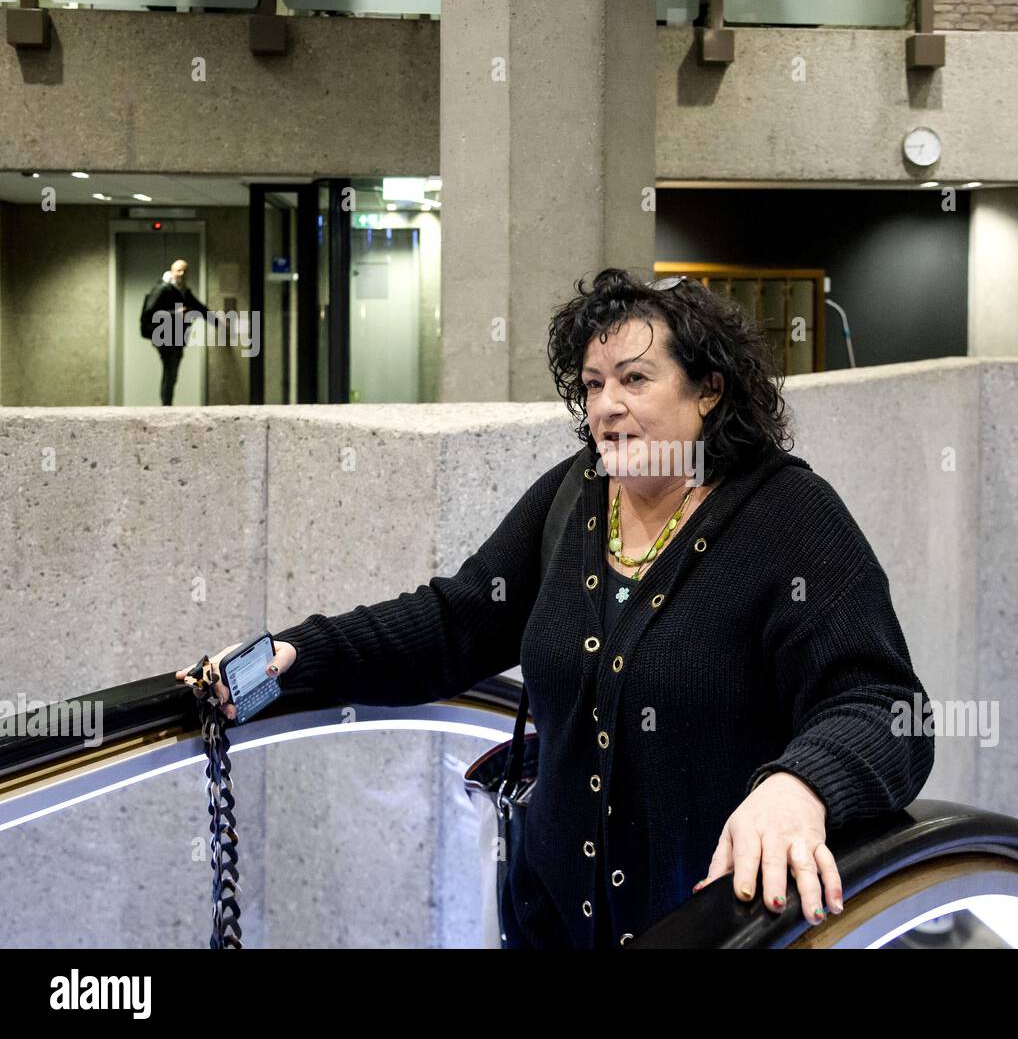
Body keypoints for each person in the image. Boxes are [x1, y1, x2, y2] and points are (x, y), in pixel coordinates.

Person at [177, 268, 936, 949]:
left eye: (635, 380)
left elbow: (884, 706)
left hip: (719, 928)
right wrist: (296, 659)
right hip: (548, 925)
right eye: (593, 383)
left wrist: (798, 785)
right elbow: (458, 621)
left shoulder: (788, 516)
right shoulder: (574, 498)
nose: (607, 405)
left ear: (708, 389)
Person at [141, 258, 208, 406]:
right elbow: (151, 313)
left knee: (172, 370)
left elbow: (201, 309)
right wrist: (175, 313)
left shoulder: (183, 292)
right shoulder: (162, 289)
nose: (182, 273)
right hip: (164, 336)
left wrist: (221, 323)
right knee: (170, 369)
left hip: (176, 337)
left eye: (185, 270)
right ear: (172, 272)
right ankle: (166, 406)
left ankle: (166, 404)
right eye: (179, 270)